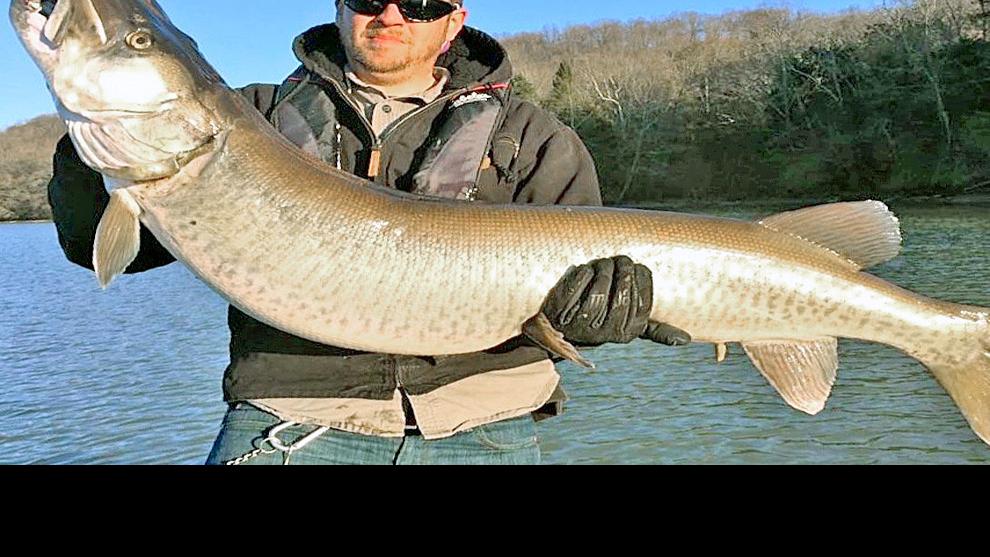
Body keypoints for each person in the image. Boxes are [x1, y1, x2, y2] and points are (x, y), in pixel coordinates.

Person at [47, 0, 690, 465]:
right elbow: (96, 249)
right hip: (290, 420)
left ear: (452, 22)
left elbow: (582, 294)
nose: (390, 15)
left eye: (418, 3)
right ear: (339, 8)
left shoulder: (533, 135)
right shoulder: (254, 114)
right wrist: (88, 150)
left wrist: (600, 314)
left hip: (485, 427)